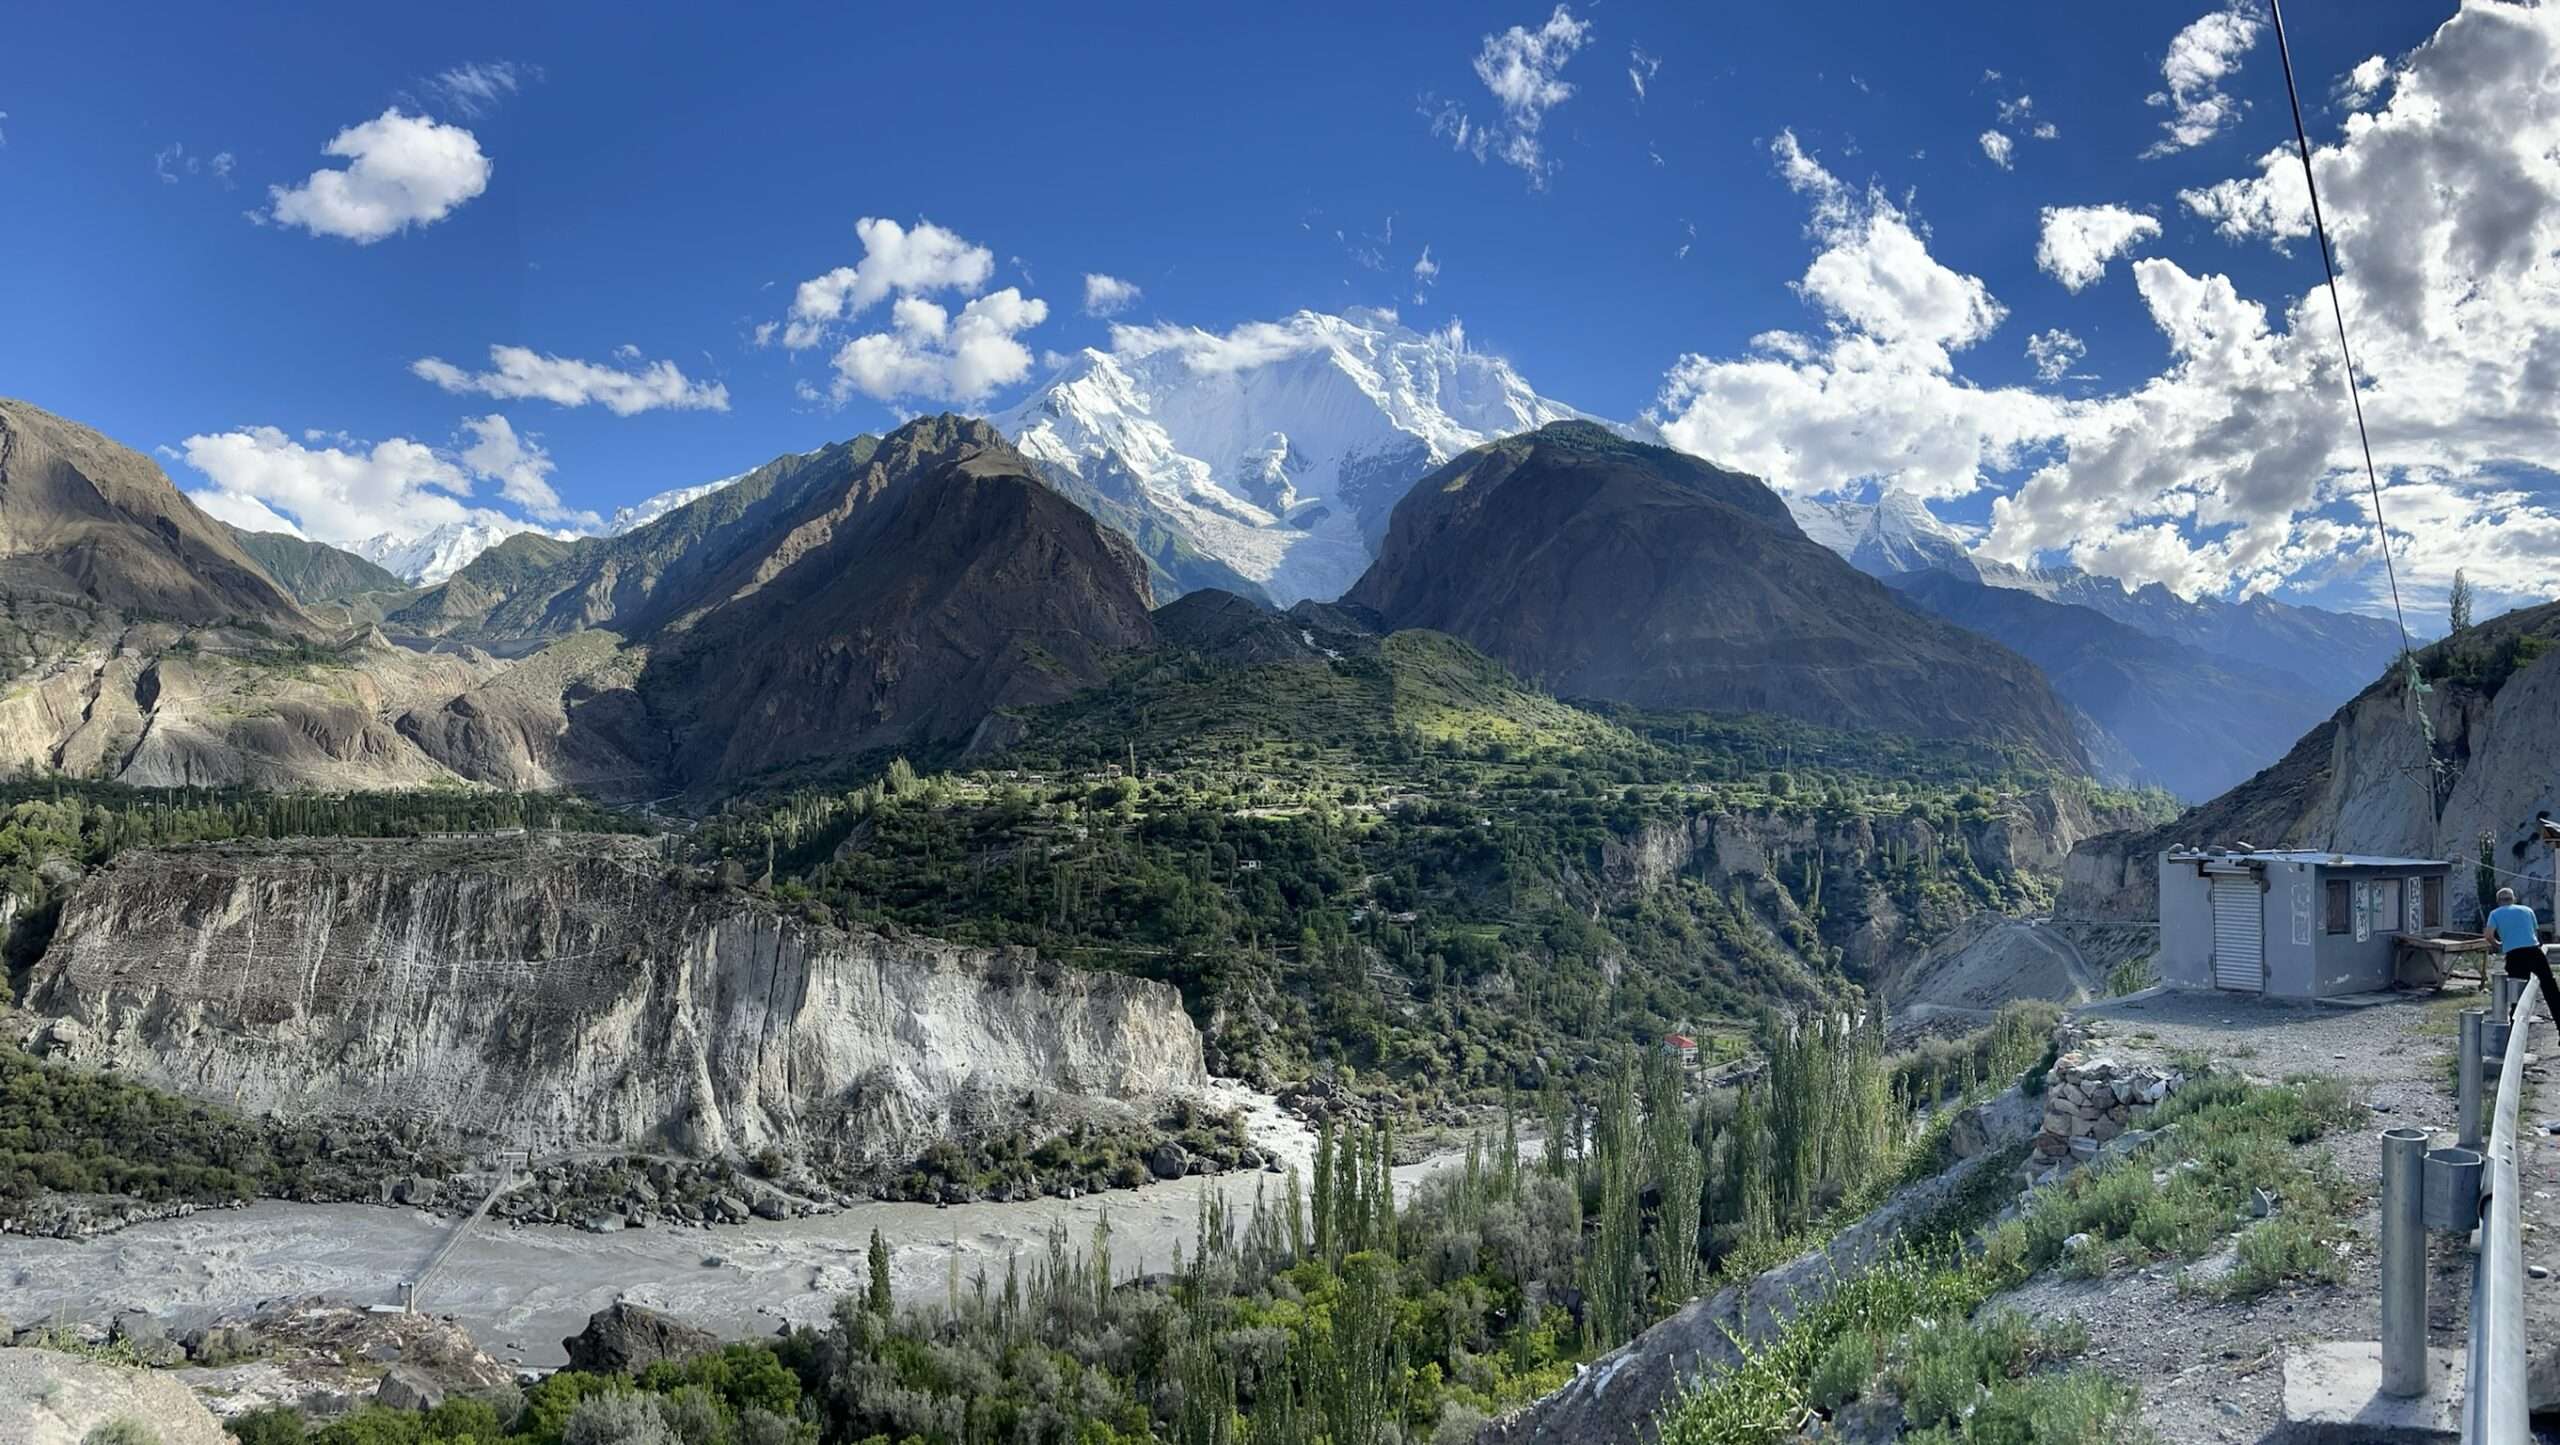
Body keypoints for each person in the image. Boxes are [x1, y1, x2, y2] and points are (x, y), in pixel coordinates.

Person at [2485, 887, 2560, 1027]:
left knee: (2517, 992)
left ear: (2498, 901)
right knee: (2550, 988)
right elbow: (2535, 932)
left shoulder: (2494, 914)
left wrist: (2499, 945)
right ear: (2514, 899)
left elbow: (2488, 936)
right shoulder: (2527, 910)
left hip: (2514, 955)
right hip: (2534, 951)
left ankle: (2516, 1027)